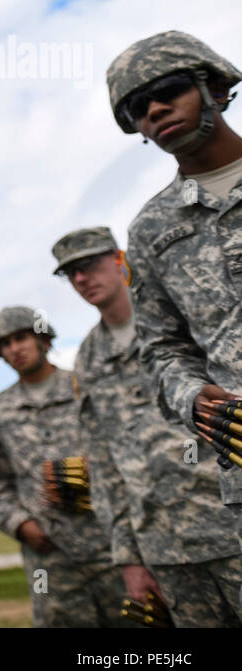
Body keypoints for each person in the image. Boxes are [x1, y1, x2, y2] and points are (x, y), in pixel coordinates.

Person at [54, 227, 242, 626]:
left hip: (230, 529)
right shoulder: (88, 358)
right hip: (164, 548)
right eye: (71, 274)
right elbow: (103, 464)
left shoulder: (183, 320)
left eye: (88, 265)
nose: (82, 279)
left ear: (121, 260)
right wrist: (128, 558)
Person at [107, 31, 242, 524]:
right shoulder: (152, 229)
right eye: (140, 107)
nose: (156, 110)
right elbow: (164, 348)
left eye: (170, 91)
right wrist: (191, 397)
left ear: (216, 87)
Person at [0, 306, 131, 627]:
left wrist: (96, 470)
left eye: (21, 338)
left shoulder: (85, 387)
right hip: (49, 558)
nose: (14, 349)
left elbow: (127, 448)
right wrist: (21, 524)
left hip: (112, 545)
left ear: (44, 340)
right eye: (5, 344)